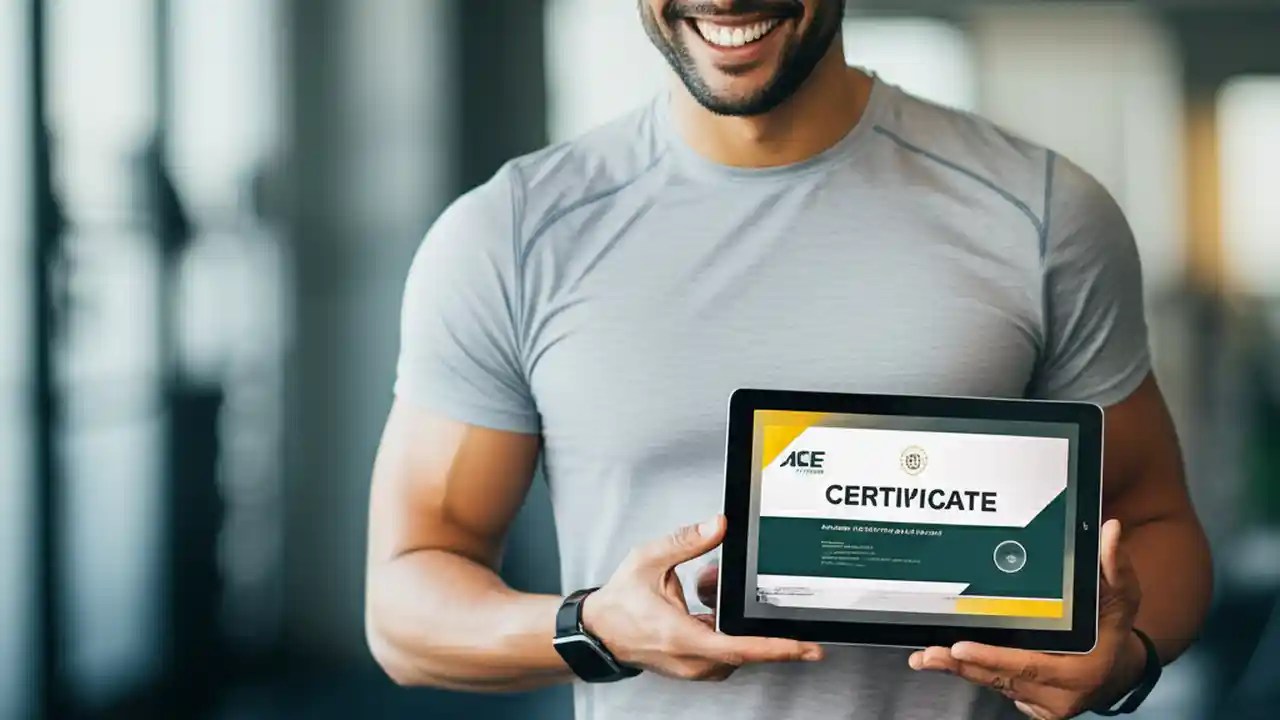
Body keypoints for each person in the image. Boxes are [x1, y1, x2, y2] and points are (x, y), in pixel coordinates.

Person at [364, 1, 1213, 718]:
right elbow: (404, 608)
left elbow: (1156, 523)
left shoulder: (1042, 215)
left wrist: (1123, 661)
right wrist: (597, 628)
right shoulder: (511, 236)